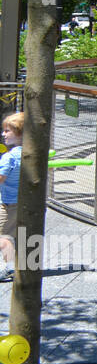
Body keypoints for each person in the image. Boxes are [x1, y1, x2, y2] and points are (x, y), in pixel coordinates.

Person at [0, 113, 23, 282]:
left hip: (8, 204)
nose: (3, 134)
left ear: (20, 133)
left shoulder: (9, 158)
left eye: (8, 131)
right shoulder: (30, 153)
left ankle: (12, 269)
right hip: (21, 201)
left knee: (3, 237)